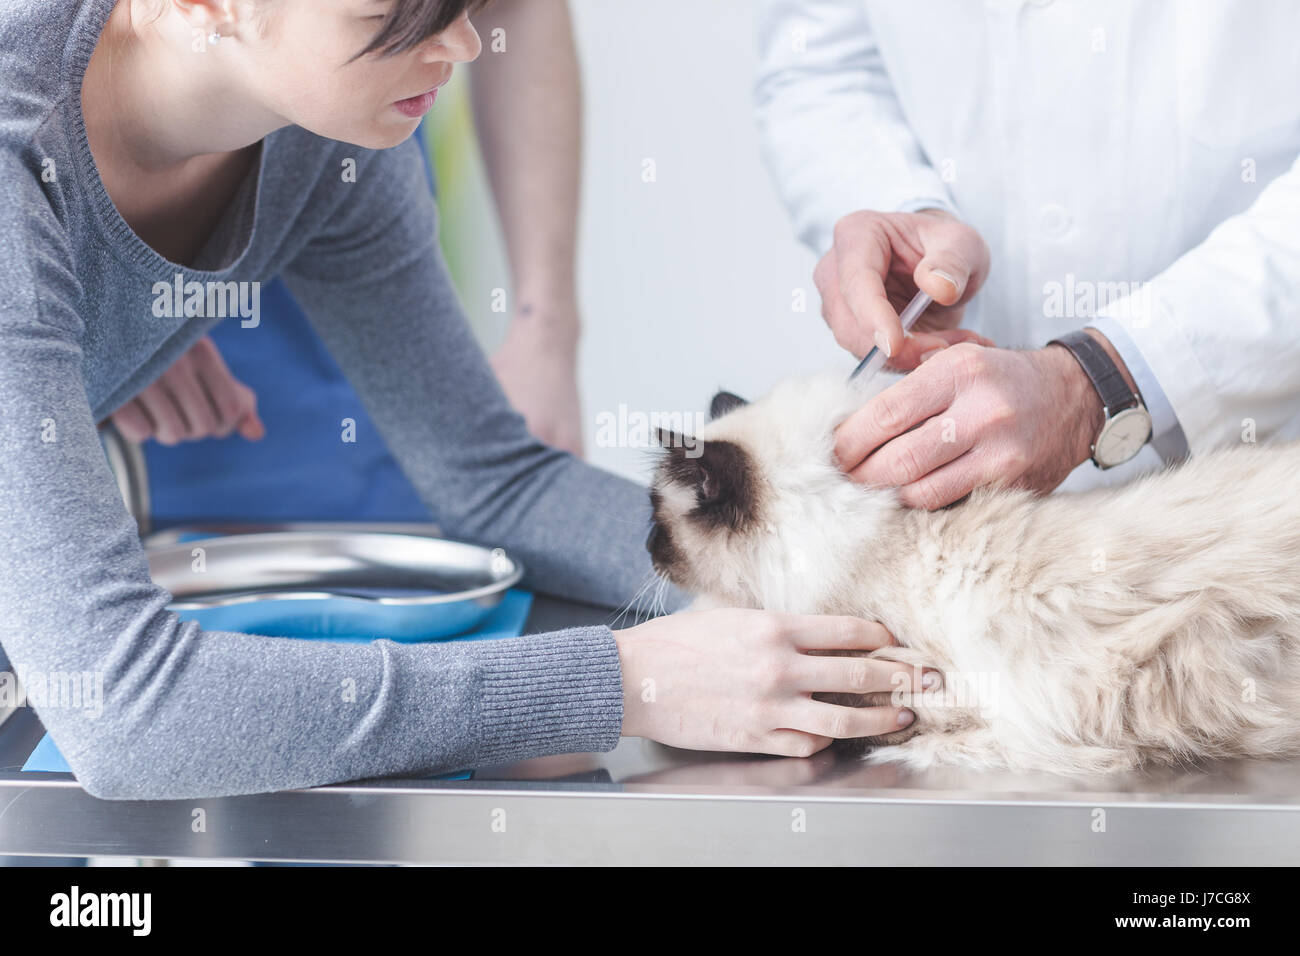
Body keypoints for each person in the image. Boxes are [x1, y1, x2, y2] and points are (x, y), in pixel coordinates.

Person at [0, 0, 932, 803]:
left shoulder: (327, 147)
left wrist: (838, 585)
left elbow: (493, 479)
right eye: (397, 15)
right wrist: (620, 683)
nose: (461, 44)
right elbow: (123, 708)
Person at [755, 0, 1300, 509]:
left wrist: (1103, 379)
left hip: (1267, 459)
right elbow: (821, 66)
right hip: (967, 499)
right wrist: (910, 209)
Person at [113, 0, 585, 533]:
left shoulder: (350, 161)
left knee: (392, 547)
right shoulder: (31, 146)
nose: (467, 46)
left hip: (329, 150)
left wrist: (543, 327)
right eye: (384, 17)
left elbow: (492, 483)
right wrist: (105, 281)